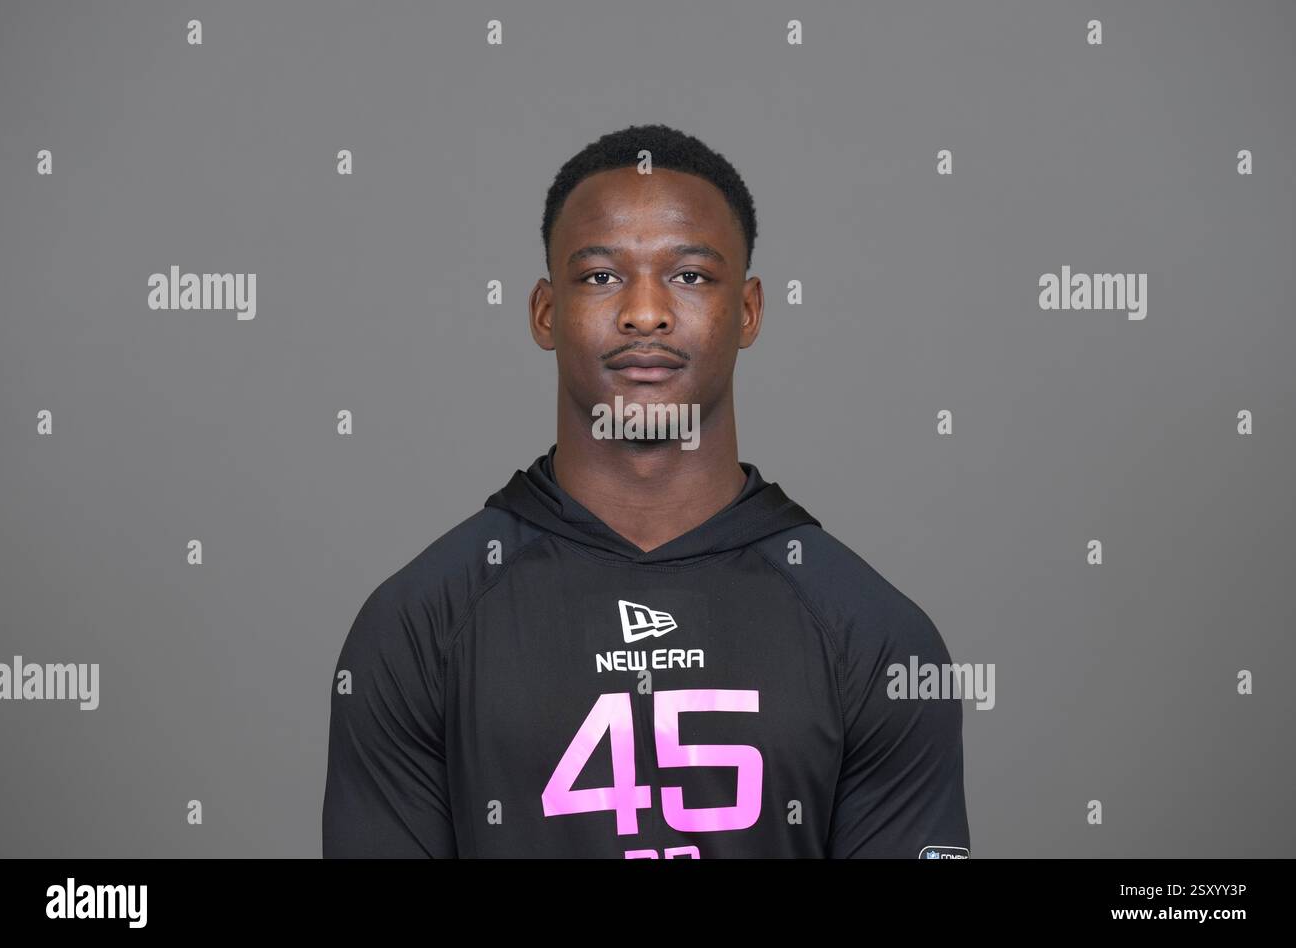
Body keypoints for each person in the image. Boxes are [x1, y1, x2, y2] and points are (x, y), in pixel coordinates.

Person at [322, 123, 970, 858]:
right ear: (543, 311)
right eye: (601, 276)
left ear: (751, 310)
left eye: (690, 276)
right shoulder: (415, 628)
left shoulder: (877, 638)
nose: (644, 312)